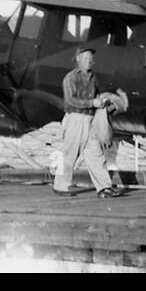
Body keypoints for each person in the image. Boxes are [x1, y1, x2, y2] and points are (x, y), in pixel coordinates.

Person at [52, 47, 123, 198]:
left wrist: (106, 104)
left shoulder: (93, 77)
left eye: (91, 59)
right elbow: (70, 100)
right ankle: (61, 186)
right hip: (75, 119)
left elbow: (97, 97)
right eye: (85, 58)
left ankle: (104, 188)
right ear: (78, 59)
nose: (89, 61)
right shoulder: (70, 77)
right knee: (69, 153)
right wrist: (93, 102)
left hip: (90, 119)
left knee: (96, 153)